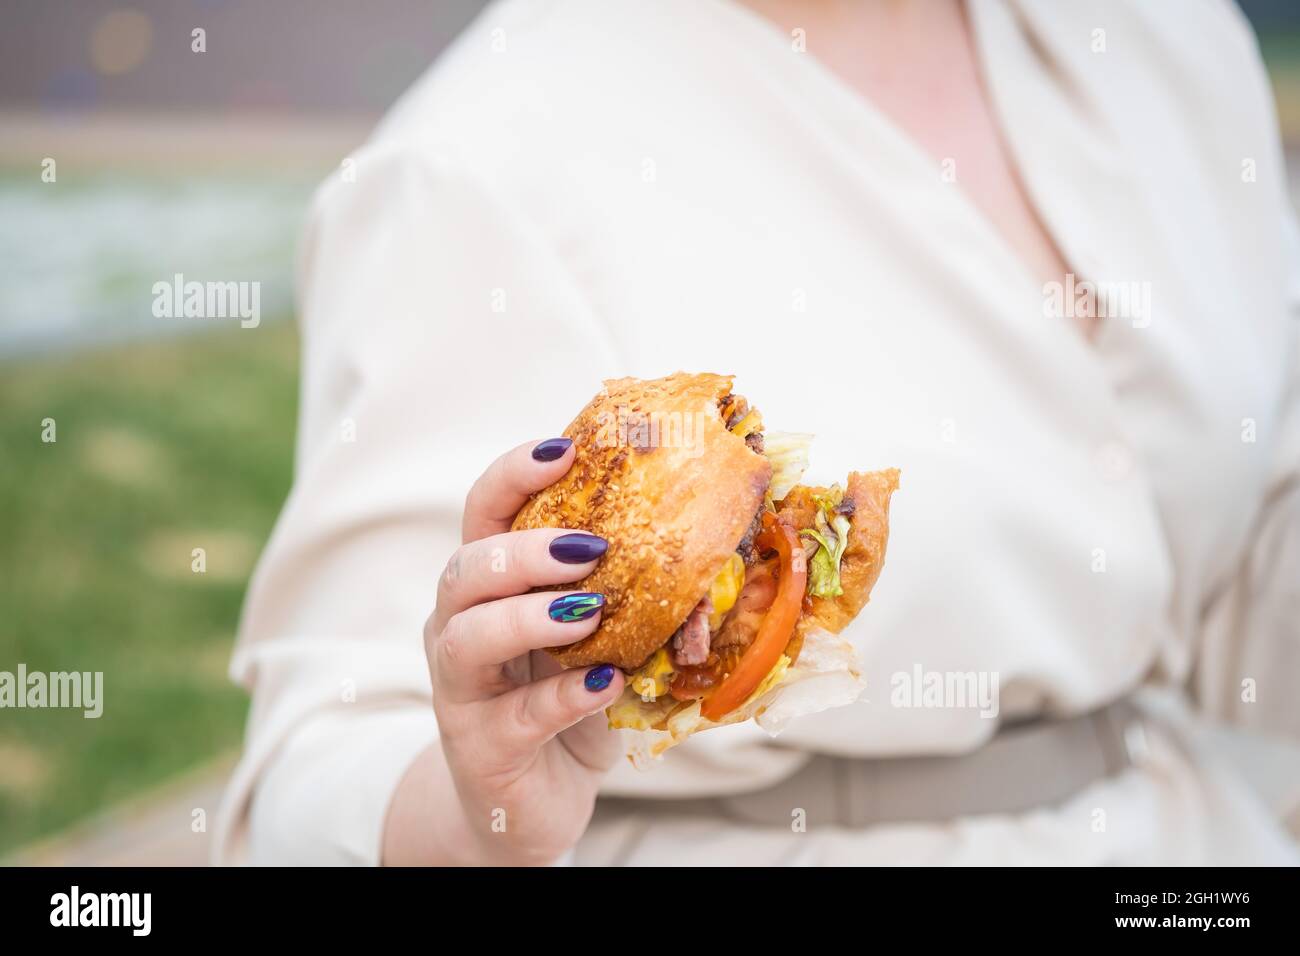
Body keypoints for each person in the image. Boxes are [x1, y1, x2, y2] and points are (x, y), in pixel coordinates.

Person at [215, 0, 1300, 865]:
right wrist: (472, 812)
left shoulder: (1169, 44)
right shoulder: (481, 151)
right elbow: (316, 769)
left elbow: (1246, 563)